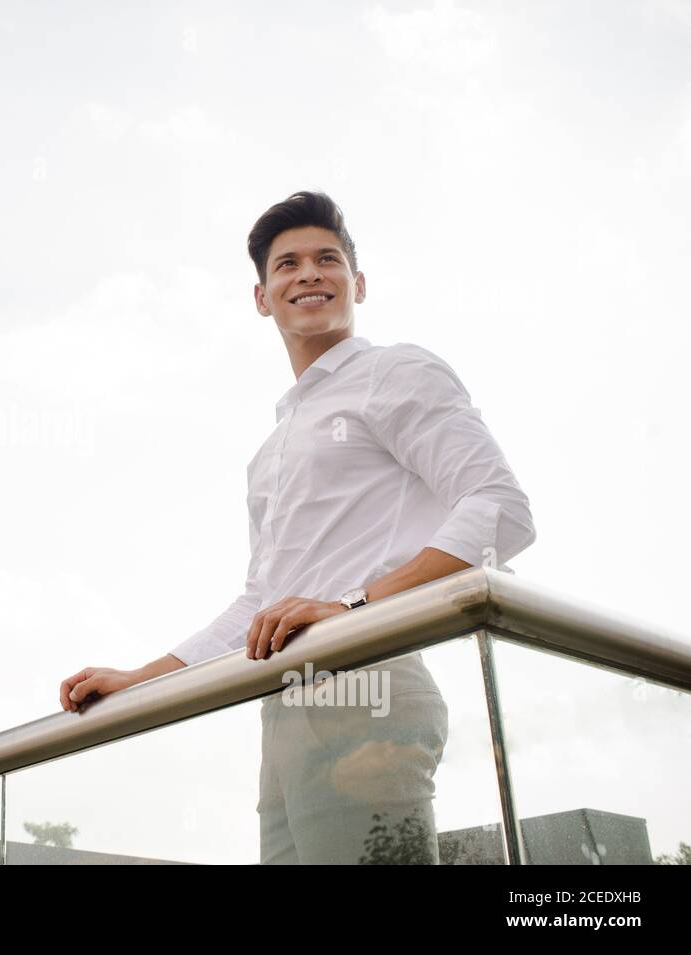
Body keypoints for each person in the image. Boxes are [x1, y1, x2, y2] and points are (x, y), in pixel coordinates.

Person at [58, 190, 536, 864]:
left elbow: (499, 507)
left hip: (365, 683)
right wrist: (140, 678)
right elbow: (260, 602)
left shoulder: (394, 371)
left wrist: (349, 607)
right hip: (283, 706)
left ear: (357, 284)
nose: (307, 272)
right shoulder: (271, 450)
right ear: (261, 297)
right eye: (287, 264)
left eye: (326, 258)